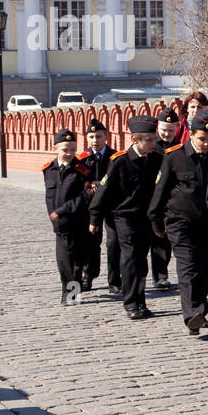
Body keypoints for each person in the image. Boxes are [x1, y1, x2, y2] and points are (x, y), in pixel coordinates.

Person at [151, 108, 208, 335]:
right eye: (202, 139)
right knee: (188, 265)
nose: (206, 144)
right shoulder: (174, 157)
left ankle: (200, 310)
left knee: (203, 267)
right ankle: (192, 314)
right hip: (180, 221)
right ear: (191, 134)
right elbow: (160, 190)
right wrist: (155, 218)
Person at [89, 115, 163, 320]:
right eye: (148, 139)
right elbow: (104, 191)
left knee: (142, 261)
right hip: (124, 217)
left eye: (154, 138)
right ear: (135, 140)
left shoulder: (157, 159)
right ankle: (131, 303)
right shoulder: (120, 161)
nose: (153, 143)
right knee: (130, 259)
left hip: (146, 217)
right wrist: (95, 219)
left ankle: (141, 301)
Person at [43, 128, 94, 303]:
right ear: (55, 147)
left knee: (78, 260)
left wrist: (61, 211)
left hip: (78, 221)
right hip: (59, 224)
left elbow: (84, 197)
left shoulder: (83, 170)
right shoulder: (48, 169)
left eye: (73, 149)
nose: (70, 153)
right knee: (64, 260)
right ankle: (68, 292)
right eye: (65, 150)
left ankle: (73, 292)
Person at [79, 119, 118, 293]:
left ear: (106, 137)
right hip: (90, 207)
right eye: (92, 137)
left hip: (111, 205)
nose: (95, 140)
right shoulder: (82, 160)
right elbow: (78, 182)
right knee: (91, 242)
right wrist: (89, 185)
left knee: (114, 243)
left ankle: (115, 280)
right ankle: (88, 276)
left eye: (99, 136)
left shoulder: (115, 157)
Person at [151, 108, 180, 289]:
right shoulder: (153, 148)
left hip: (172, 200)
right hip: (153, 199)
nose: (167, 133)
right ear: (157, 128)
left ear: (177, 128)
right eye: (164, 129)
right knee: (157, 239)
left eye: (171, 129)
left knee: (167, 239)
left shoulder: (180, 147)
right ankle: (159, 275)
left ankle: (163, 275)